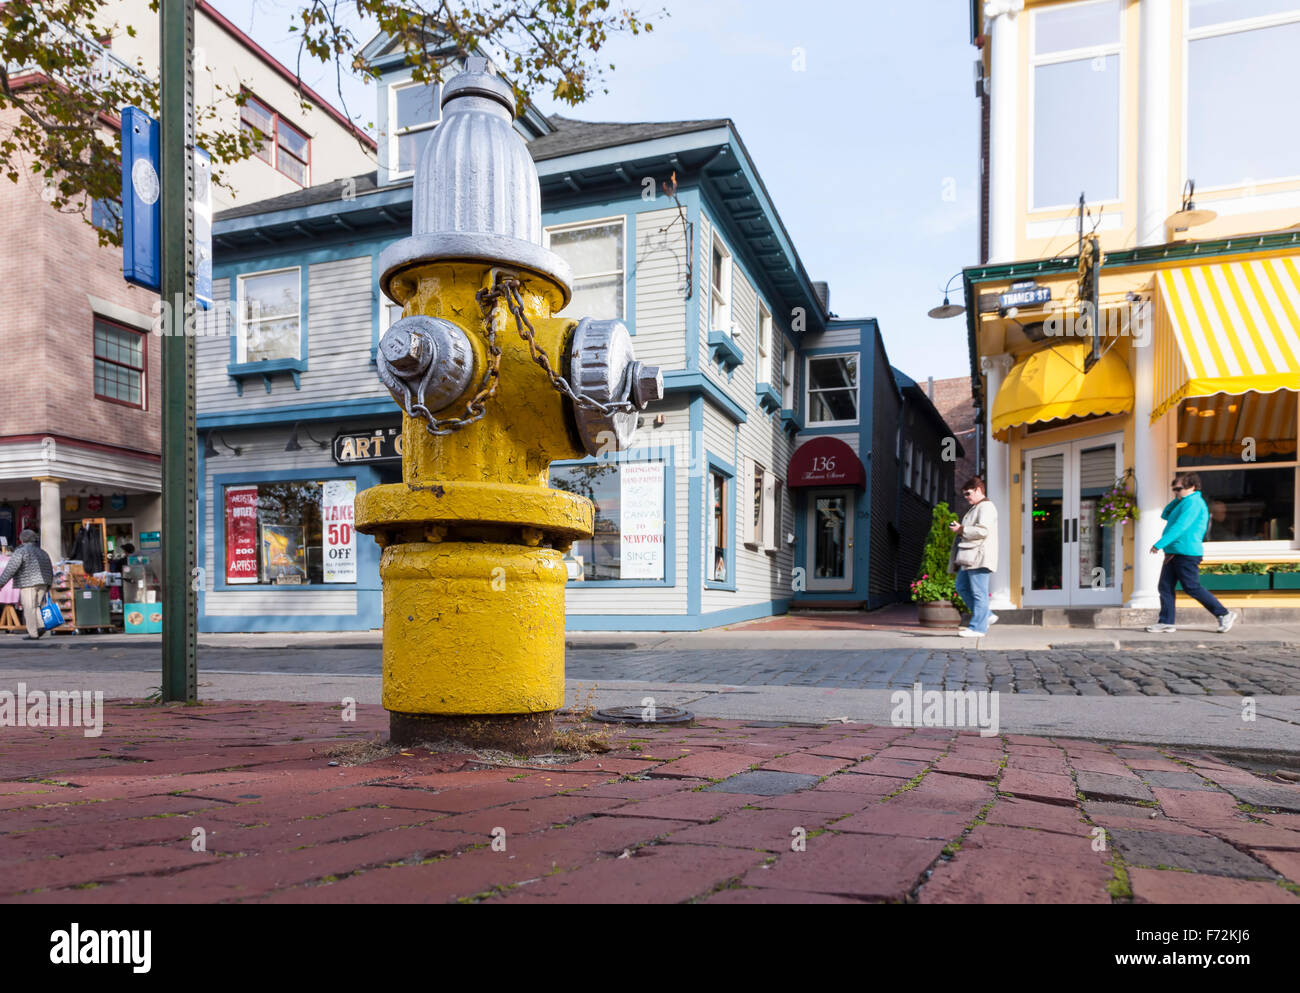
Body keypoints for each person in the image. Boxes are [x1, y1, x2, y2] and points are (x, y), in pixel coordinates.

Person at [1146, 473, 1237, 634]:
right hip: (1174, 552)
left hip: (1186, 552)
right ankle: (1166, 622)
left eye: (1179, 489)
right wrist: (1177, 499)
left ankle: (1224, 613)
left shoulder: (1194, 503)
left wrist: (1160, 544)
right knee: (1165, 587)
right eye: (1174, 489)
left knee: (1191, 587)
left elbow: (1181, 526)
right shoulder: (1185, 502)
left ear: (1192, 487)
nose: (1176, 492)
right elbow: (1165, 514)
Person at [948, 475, 999, 638]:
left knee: (979, 593)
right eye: (964, 494)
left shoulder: (986, 507)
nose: (966, 497)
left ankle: (978, 628)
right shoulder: (978, 507)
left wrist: (961, 529)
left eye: (968, 493)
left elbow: (983, 531)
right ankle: (987, 615)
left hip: (979, 557)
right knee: (962, 587)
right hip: (972, 557)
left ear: (978, 490)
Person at [0, 529, 55, 640]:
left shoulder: (21, 551)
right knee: (35, 606)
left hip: (29, 582)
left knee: (29, 608)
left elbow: (11, 569)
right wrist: (49, 584)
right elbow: (50, 568)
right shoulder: (42, 552)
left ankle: (33, 633)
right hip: (43, 582)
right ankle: (41, 626)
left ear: (21, 539)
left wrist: (1, 582)